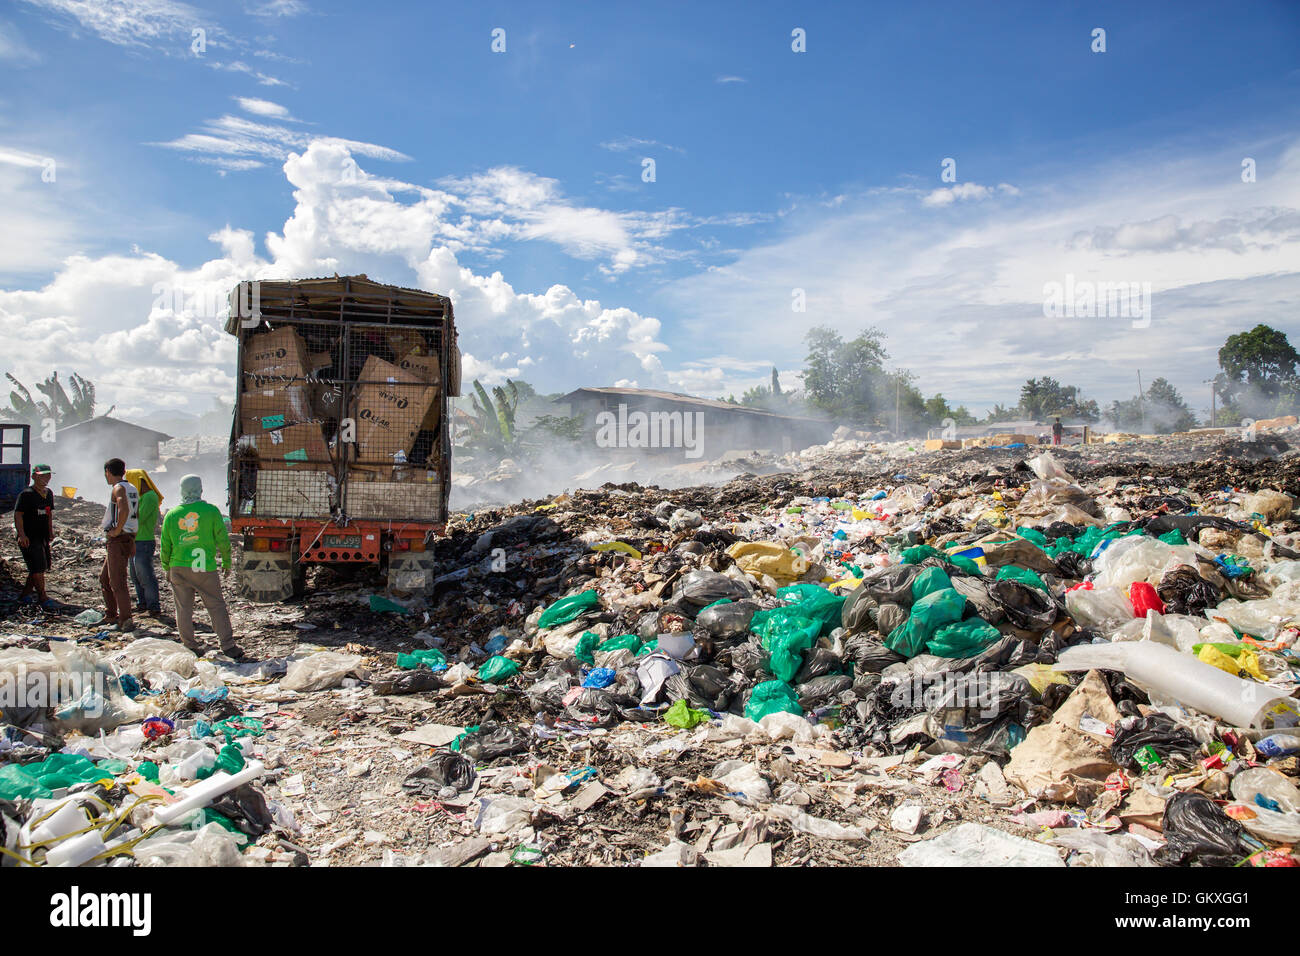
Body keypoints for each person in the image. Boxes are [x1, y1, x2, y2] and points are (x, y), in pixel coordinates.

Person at [161, 474, 244, 660]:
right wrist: (226, 561)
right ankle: (228, 645)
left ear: (182, 490)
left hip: (178, 567)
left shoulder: (171, 515)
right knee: (216, 606)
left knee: (183, 608)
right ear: (200, 489)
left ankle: (190, 645)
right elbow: (222, 539)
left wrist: (166, 567)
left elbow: (165, 546)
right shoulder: (211, 511)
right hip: (204, 568)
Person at [100, 458, 139, 633]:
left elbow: (123, 509)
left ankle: (125, 619)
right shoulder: (132, 488)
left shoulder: (118, 488)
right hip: (127, 537)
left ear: (108, 471)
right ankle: (111, 614)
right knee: (105, 578)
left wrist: (116, 530)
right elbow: (135, 514)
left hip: (118, 539)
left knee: (117, 581)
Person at [14, 463, 57, 610]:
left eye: (48, 475)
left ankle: (25, 595)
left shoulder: (48, 493)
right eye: (42, 476)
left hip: (42, 536)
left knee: (39, 567)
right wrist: (21, 535)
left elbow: (49, 513)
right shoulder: (26, 494)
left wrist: (50, 532)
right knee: (37, 568)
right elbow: (18, 515)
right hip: (29, 537)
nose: (45, 478)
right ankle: (42, 597)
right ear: (33, 476)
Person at [126, 469, 163, 618]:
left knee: (145, 575)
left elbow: (139, 519)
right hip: (135, 540)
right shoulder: (142, 497)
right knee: (135, 575)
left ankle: (153, 606)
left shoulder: (149, 497)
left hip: (143, 540)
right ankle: (142, 603)